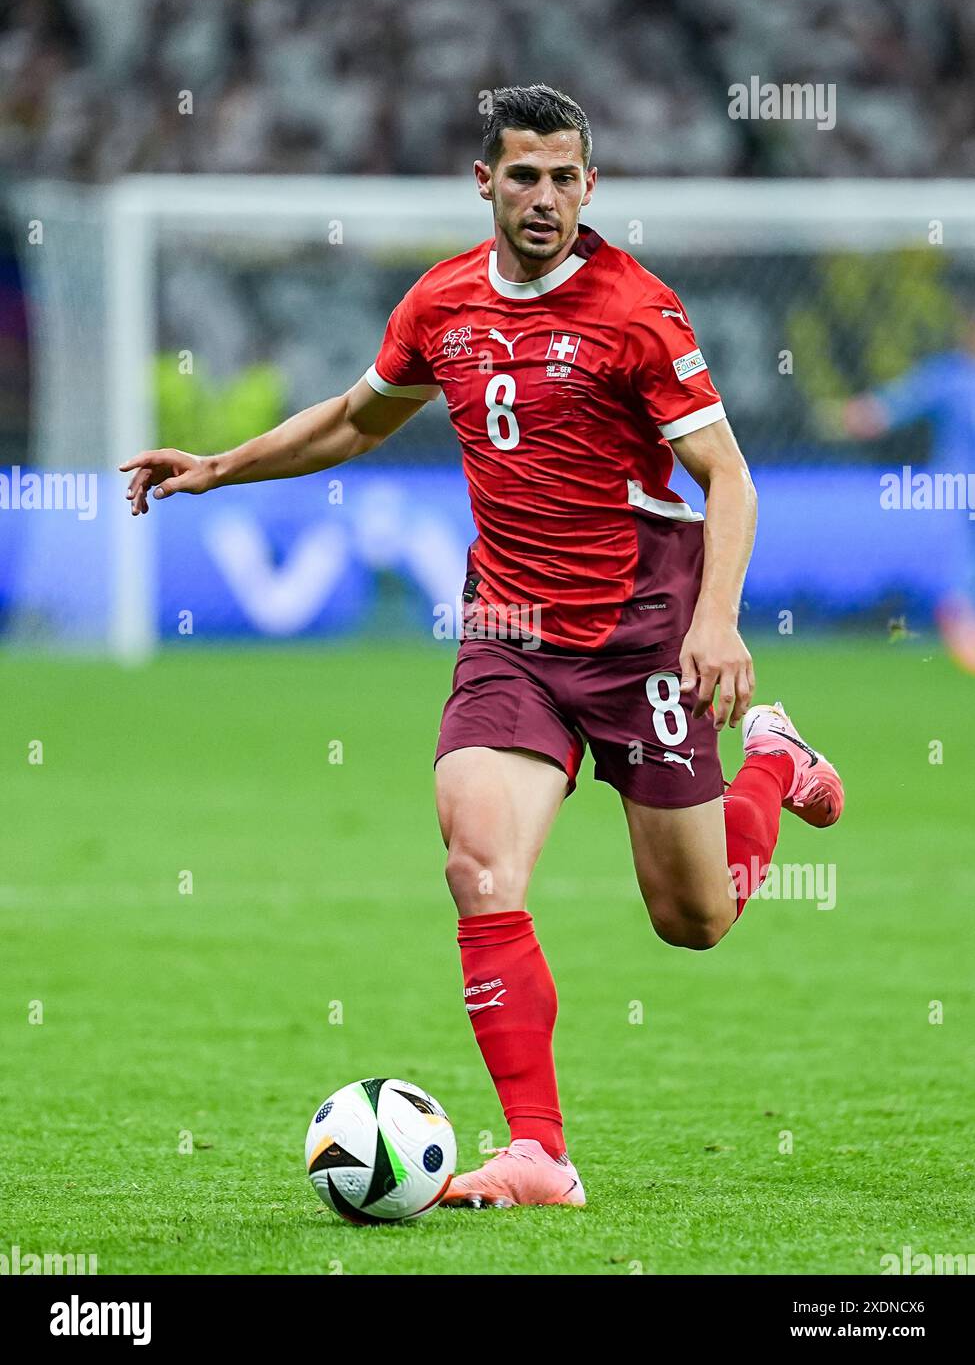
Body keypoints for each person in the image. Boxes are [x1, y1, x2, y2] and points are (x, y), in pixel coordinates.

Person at [121, 85, 844, 1210]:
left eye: (564, 177)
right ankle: (539, 1152)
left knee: (693, 919)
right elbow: (358, 419)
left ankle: (775, 761)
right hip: (508, 637)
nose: (544, 196)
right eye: (524, 175)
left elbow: (730, 477)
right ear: (486, 183)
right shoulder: (443, 301)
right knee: (477, 866)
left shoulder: (638, 311)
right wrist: (219, 465)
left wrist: (717, 620)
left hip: (644, 636)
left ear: (590, 186)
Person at [842, 310, 975, 671]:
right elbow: (900, 402)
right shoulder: (952, 376)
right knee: (964, 559)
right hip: (960, 486)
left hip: (957, 485)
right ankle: (962, 626)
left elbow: (894, 405)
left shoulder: (952, 376)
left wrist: (868, 415)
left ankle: (962, 621)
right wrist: (868, 414)